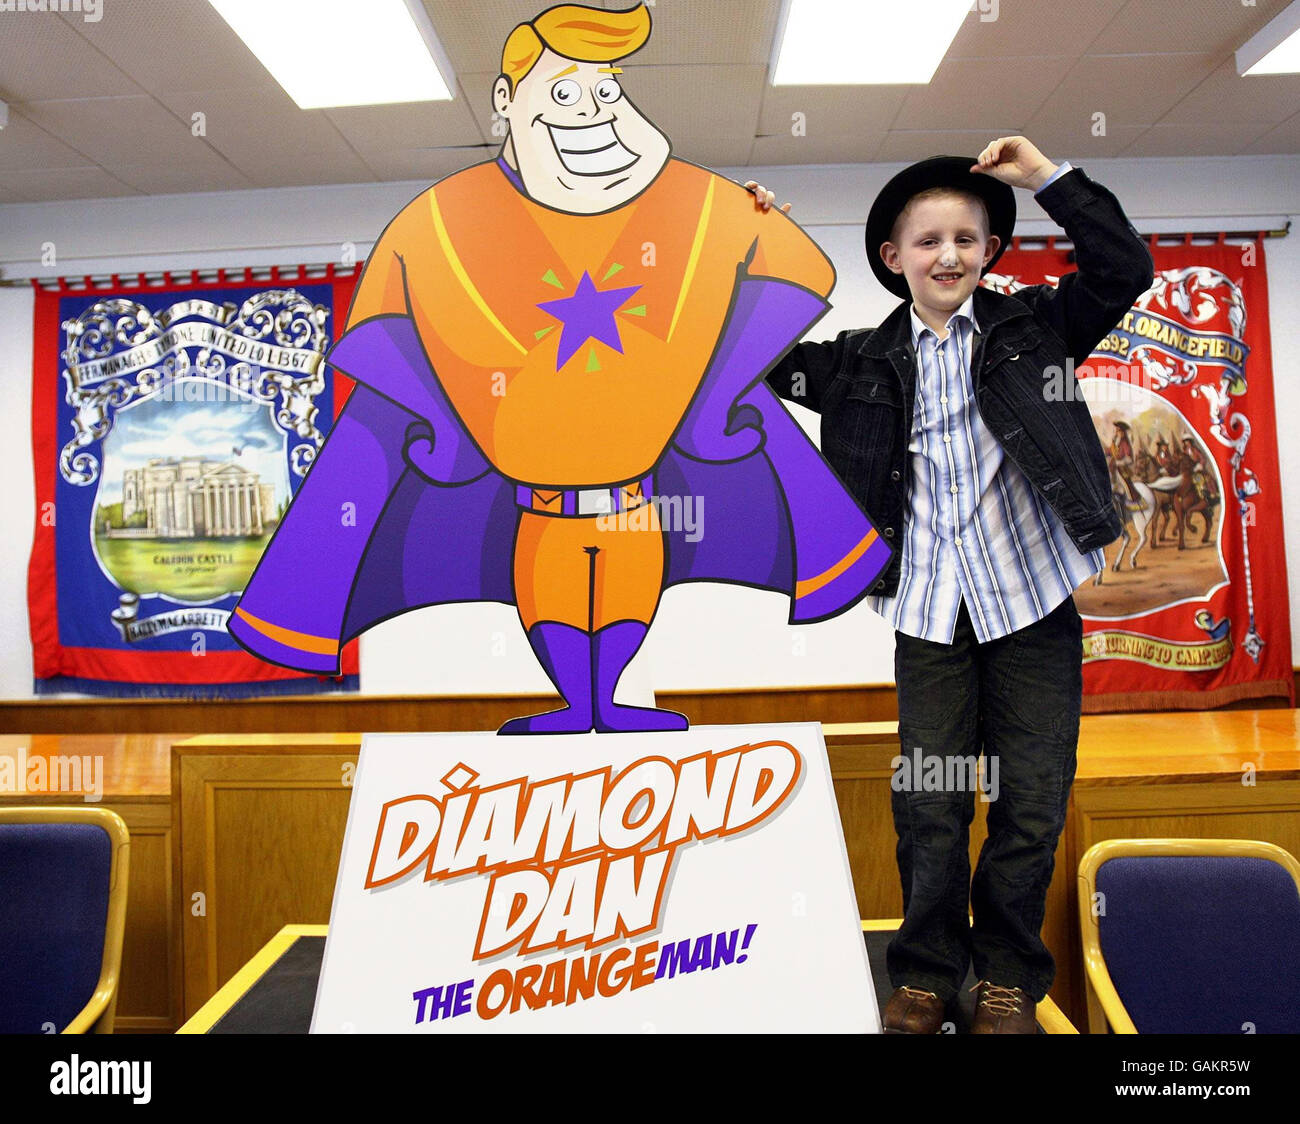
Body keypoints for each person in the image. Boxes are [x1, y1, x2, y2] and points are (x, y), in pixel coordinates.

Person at [228, 2, 892, 734]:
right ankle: (579, 703)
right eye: (566, 92)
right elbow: (384, 326)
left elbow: (788, 271)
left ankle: (605, 702)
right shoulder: (445, 216)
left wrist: (720, 384)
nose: (592, 113)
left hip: (644, 495)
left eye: (605, 90)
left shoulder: (686, 202)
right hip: (528, 500)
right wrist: (444, 429)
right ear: (508, 102)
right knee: (551, 575)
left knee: (629, 575)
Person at [759, 136, 1153, 1032]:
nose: (949, 256)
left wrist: (1047, 177)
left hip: (1032, 607)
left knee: (1031, 799)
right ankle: (929, 975)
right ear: (894, 261)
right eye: (928, 242)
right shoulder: (856, 362)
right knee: (930, 803)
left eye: (967, 240)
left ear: (990, 252)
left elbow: (1124, 265)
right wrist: (759, 245)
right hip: (929, 615)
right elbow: (742, 359)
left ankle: (1010, 975)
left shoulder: (1034, 332)